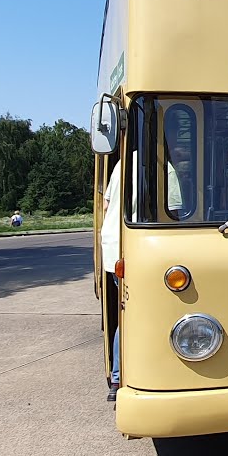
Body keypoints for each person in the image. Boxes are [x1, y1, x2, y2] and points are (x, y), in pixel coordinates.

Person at [102, 161, 123, 402]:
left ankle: (117, 378)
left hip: (113, 249)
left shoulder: (120, 164)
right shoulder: (162, 165)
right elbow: (176, 214)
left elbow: (106, 205)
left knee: (126, 315)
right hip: (128, 252)